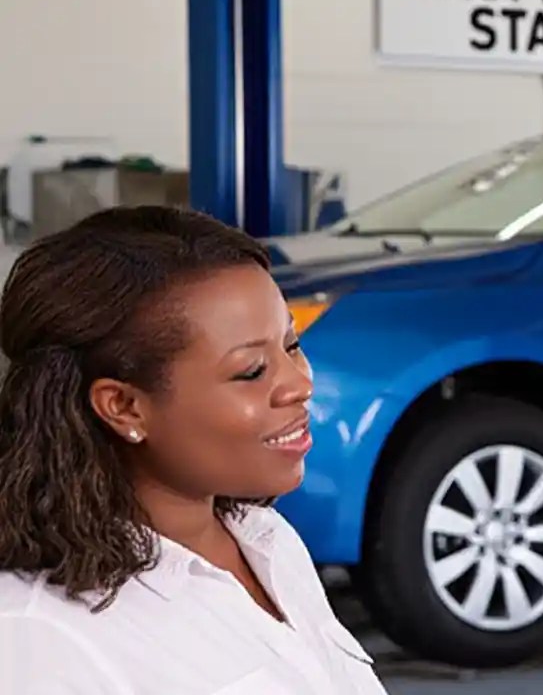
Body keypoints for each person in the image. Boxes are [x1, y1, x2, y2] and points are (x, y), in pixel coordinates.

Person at [0, 206, 388, 694]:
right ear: (123, 406)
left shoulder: (265, 540)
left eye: (290, 346)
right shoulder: (38, 635)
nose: (299, 384)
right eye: (250, 372)